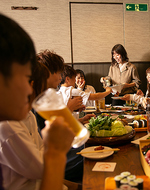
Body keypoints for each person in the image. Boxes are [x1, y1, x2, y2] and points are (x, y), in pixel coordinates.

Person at [0, 13, 74, 190]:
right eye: (26, 78)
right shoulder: (7, 127)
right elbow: (40, 168)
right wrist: (54, 152)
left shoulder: (25, 117)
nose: (29, 90)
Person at [35, 52, 95, 183]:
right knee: (95, 155)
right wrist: (69, 108)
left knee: (95, 145)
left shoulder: (47, 95)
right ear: (47, 73)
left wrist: (80, 120)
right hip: (59, 157)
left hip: (64, 150)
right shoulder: (37, 102)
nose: (61, 77)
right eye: (58, 72)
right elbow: (47, 135)